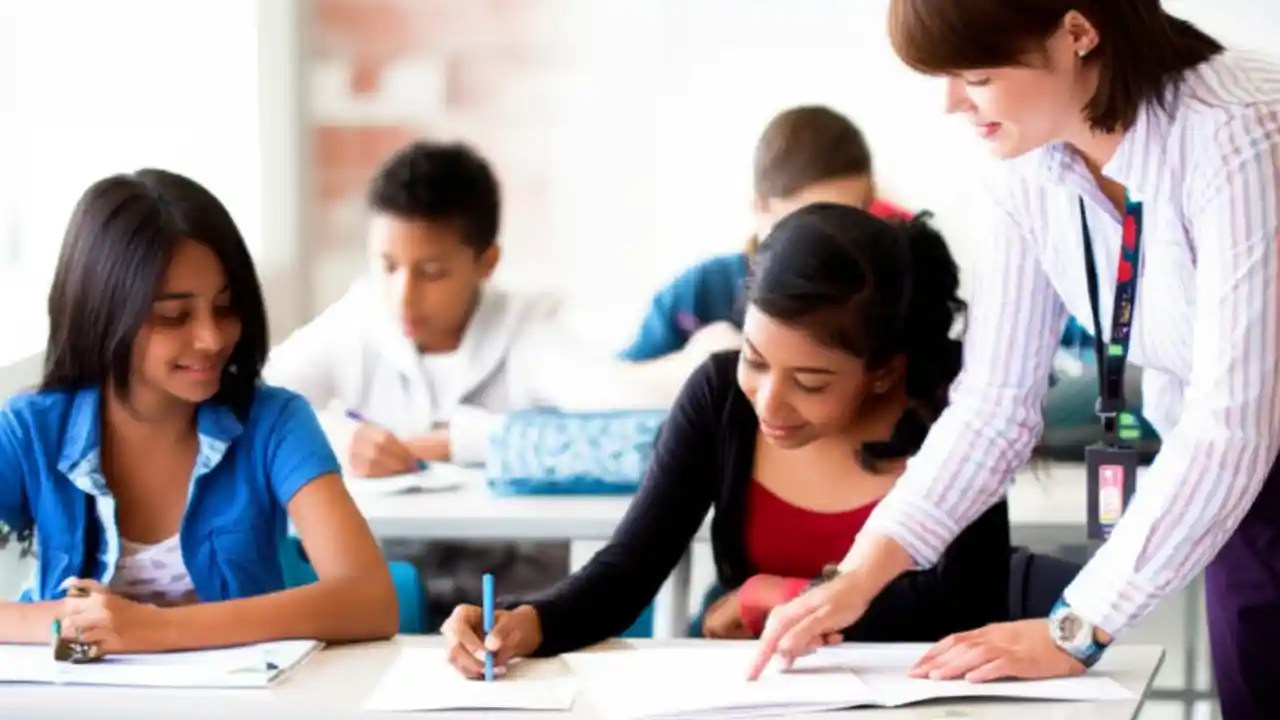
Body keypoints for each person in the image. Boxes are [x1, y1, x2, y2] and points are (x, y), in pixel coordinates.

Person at [749, 4, 1280, 718]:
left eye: (976, 75)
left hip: (1239, 442)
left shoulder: (1237, 131)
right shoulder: (1026, 164)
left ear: (1078, 32)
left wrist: (1074, 628)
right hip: (1241, 478)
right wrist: (855, 576)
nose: (952, 102)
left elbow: (1233, 425)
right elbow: (994, 403)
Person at [438, 203, 1015, 676]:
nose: (768, 402)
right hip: (757, 690)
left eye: (811, 383)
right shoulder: (719, 397)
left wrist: (771, 597)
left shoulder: (960, 421)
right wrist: (527, 623)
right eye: (755, 360)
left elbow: (963, 604)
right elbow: (630, 568)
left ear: (884, 371)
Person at [263, 140, 670, 628]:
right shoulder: (355, 323)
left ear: (487, 262)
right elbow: (254, 404)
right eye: (387, 266)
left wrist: (462, 442)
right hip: (391, 596)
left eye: (432, 272)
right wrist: (338, 440)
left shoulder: (527, 332)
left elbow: (648, 426)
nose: (403, 295)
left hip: (520, 601)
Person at [0, 169, 397, 652]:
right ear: (102, 313)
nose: (211, 339)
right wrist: (69, 624)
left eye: (226, 308)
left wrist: (154, 629)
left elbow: (370, 599)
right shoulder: (30, 431)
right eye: (174, 316)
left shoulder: (275, 423)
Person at [620, 106, 912, 369]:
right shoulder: (700, 292)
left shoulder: (892, 295)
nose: (824, 249)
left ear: (869, 203)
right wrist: (685, 367)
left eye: (846, 221)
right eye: (802, 229)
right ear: (759, 206)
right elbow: (614, 383)